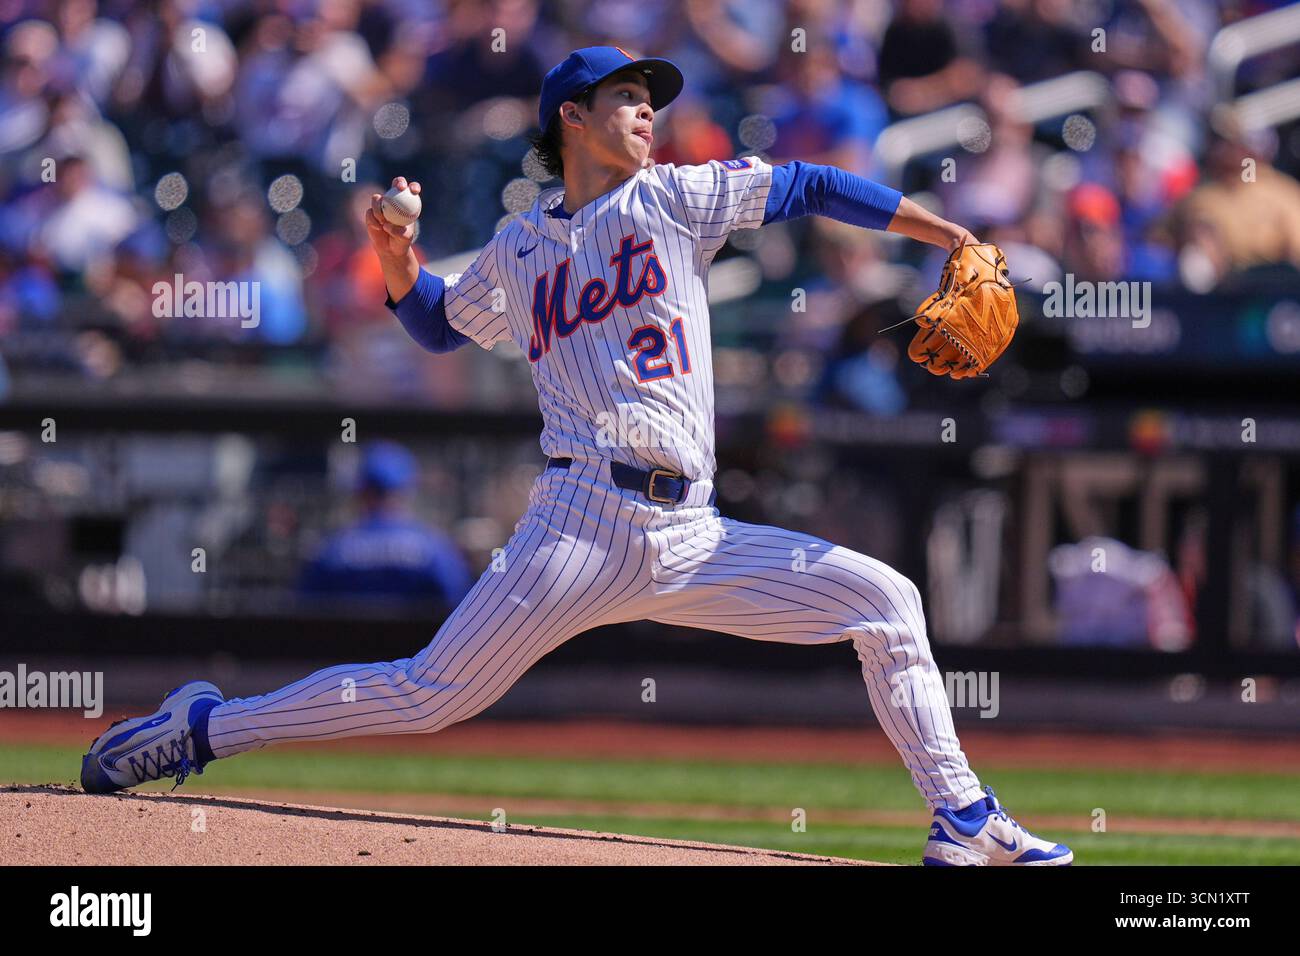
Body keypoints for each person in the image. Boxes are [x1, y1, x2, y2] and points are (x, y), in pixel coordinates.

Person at [82, 46, 1071, 866]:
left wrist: (940, 227)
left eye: (649, 101)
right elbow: (436, 323)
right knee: (430, 694)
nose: (647, 115)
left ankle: (962, 817)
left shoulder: (680, 197)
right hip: (579, 524)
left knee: (885, 601)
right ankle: (202, 726)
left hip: (693, 532)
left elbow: (810, 183)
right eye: (627, 100)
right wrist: (395, 253)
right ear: (572, 119)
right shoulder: (520, 246)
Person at [297, 442, 472, 609]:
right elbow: (460, 608)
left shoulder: (332, 549)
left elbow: (302, 610)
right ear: (406, 490)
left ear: (361, 491)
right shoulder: (434, 548)